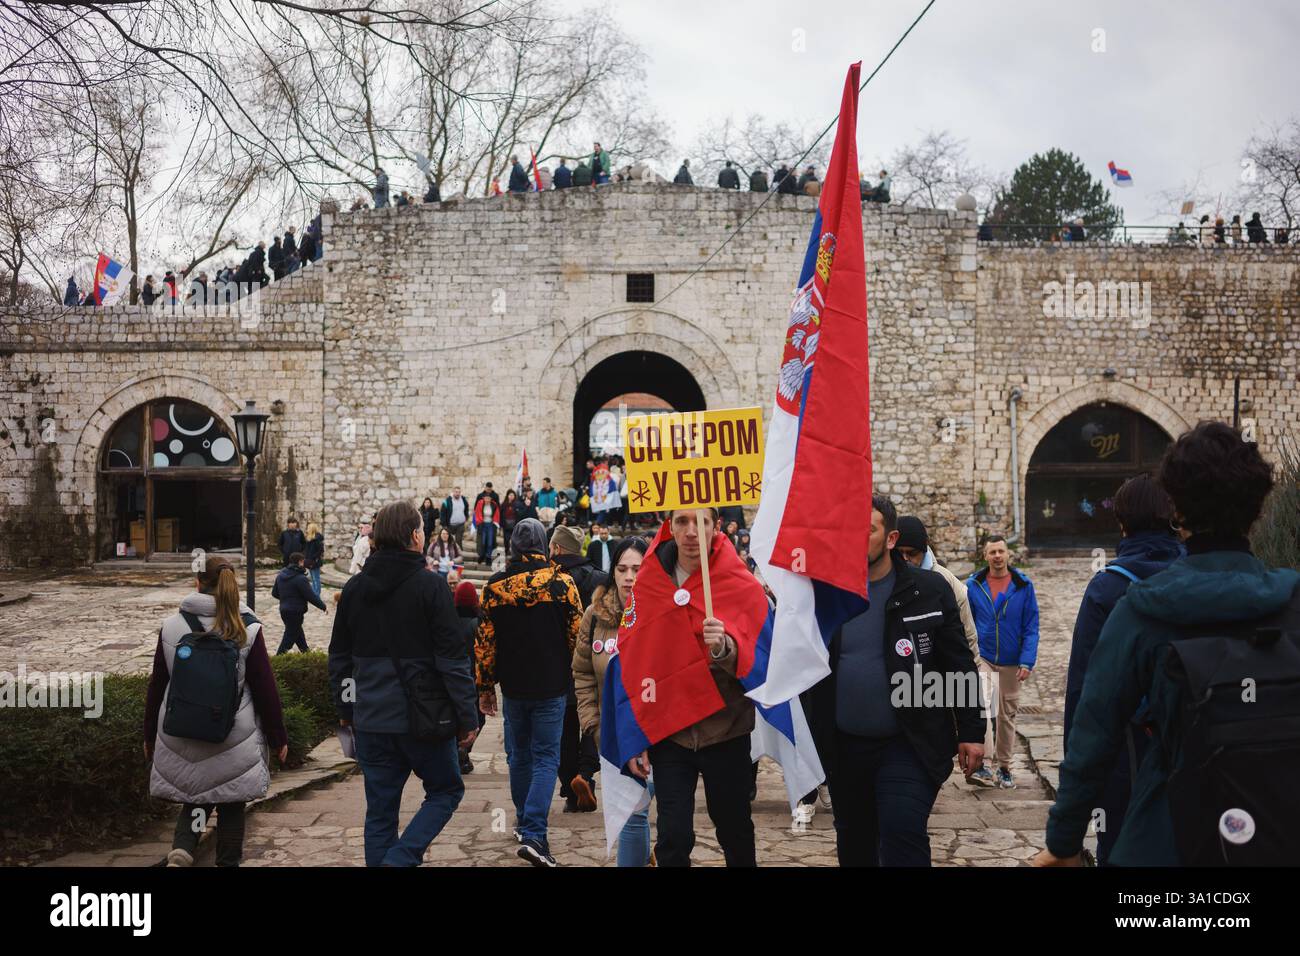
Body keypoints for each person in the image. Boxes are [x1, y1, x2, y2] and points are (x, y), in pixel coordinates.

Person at [1035, 422, 1299, 867]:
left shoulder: (1142, 611)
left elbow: (1093, 732)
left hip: (1168, 834)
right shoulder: (1291, 602)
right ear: (1258, 510)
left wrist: (1063, 842)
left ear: (1177, 509)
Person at [804, 495, 984, 866]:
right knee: (855, 844)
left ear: (890, 538)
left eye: (867, 529)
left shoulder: (930, 590)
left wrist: (971, 730)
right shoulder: (825, 594)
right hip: (843, 747)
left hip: (910, 741)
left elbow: (958, 663)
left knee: (902, 829)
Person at [328, 500, 479, 867]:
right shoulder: (431, 588)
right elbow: (452, 660)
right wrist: (467, 715)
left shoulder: (354, 589)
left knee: (380, 812)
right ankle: (401, 858)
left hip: (372, 719)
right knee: (446, 790)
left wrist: (345, 711)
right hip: (423, 719)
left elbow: (340, 659)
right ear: (414, 535)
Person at [620, 509, 767, 867]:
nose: (690, 531)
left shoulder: (738, 581)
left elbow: (759, 653)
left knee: (734, 829)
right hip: (671, 733)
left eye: (700, 522)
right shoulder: (651, 581)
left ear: (715, 527)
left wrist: (724, 648)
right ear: (669, 526)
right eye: (682, 521)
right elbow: (635, 658)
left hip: (725, 729)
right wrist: (635, 735)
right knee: (673, 834)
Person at [1061, 474, 1184, 866]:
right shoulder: (1206, 577)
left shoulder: (1107, 587)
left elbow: (1084, 688)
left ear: (1122, 523)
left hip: (1127, 751)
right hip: (1200, 746)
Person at [144, 557, 288, 867]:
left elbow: (157, 685)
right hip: (232, 733)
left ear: (197, 583)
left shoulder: (172, 626)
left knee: (196, 798)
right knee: (231, 804)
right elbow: (265, 689)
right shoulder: (246, 628)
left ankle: (183, 847)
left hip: (183, 730)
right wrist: (278, 737)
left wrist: (148, 736)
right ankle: (227, 862)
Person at [476, 518, 584, 866]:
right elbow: (577, 637)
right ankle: (535, 832)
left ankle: (524, 821)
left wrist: (484, 687)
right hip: (551, 684)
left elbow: (484, 644)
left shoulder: (495, 587)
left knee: (518, 756)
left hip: (514, 686)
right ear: (543, 545)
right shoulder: (561, 584)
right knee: (545, 758)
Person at [572, 535, 653, 865]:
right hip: (614, 734)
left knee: (640, 810)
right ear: (613, 572)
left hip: (656, 733)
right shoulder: (595, 614)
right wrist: (593, 724)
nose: (630, 577)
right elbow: (583, 674)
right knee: (634, 814)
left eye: (638, 568)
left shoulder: (661, 613)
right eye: (622, 569)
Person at [966, 534, 1039, 789]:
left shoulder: (1023, 585)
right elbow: (968, 623)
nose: (997, 556)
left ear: (1008, 554)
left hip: (1011, 661)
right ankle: (983, 764)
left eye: (1000, 551)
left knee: (1006, 714)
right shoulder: (974, 585)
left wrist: (1027, 660)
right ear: (985, 556)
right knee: (984, 707)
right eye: (992, 552)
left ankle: (1005, 767)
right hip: (983, 656)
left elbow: (1031, 625)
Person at [550, 524, 610, 812]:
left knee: (564, 728)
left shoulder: (550, 580)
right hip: (592, 661)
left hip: (559, 665)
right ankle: (585, 775)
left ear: (558, 549)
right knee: (590, 719)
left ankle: (570, 789)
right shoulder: (599, 577)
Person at [895, 516, 979, 661]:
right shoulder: (883, 581)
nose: (905, 559)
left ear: (924, 549)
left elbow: (968, 637)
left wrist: (969, 677)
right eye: (898, 553)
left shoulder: (947, 582)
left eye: (912, 553)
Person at [453, 580, 487, 773]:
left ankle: (457, 753)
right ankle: (463, 751)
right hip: (475, 679)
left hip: (453, 678)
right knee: (477, 719)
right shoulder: (478, 624)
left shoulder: (448, 621)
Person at [271, 551, 328, 654]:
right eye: (303, 561)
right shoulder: (300, 579)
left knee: (298, 634)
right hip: (296, 611)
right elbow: (310, 596)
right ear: (300, 562)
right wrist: (323, 606)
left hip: (284, 610)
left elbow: (274, 593)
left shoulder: (281, 575)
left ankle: (307, 654)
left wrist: (286, 598)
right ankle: (278, 658)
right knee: (289, 637)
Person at [474, 486, 500, 567]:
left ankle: (488, 557)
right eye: (486, 498)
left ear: (491, 499)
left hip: (490, 525)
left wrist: (496, 524)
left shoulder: (494, 505)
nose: (487, 500)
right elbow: (477, 513)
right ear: (484, 498)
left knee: (489, 542)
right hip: (483, 524)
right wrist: (478, 523)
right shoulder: (480, 503)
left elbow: (496, 514)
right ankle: (482, 556)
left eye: (489, 498)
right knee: (483, 542)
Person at [303, 521, 325, 596]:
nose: (307, 530)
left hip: (315, 561)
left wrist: (313, 557)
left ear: (312, 529)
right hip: (309, 561)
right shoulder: (310, 539)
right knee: (312, 579)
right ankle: (314, 593)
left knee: (316, 579)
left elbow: (321, 550)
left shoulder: (317, 540)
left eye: (308, 528)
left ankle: (317, 594)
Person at [500, 489, 520, 554]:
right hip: (506, 524)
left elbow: (518, 515)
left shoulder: (517, 504)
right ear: (507, 496)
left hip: (514, 524)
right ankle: (507, 550)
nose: (511, 496)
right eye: (510, 495)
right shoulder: (504, 504)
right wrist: (501, 524)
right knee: (506, 539)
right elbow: (501, 514)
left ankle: (514, 551)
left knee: (514, 539)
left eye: (513, 495)